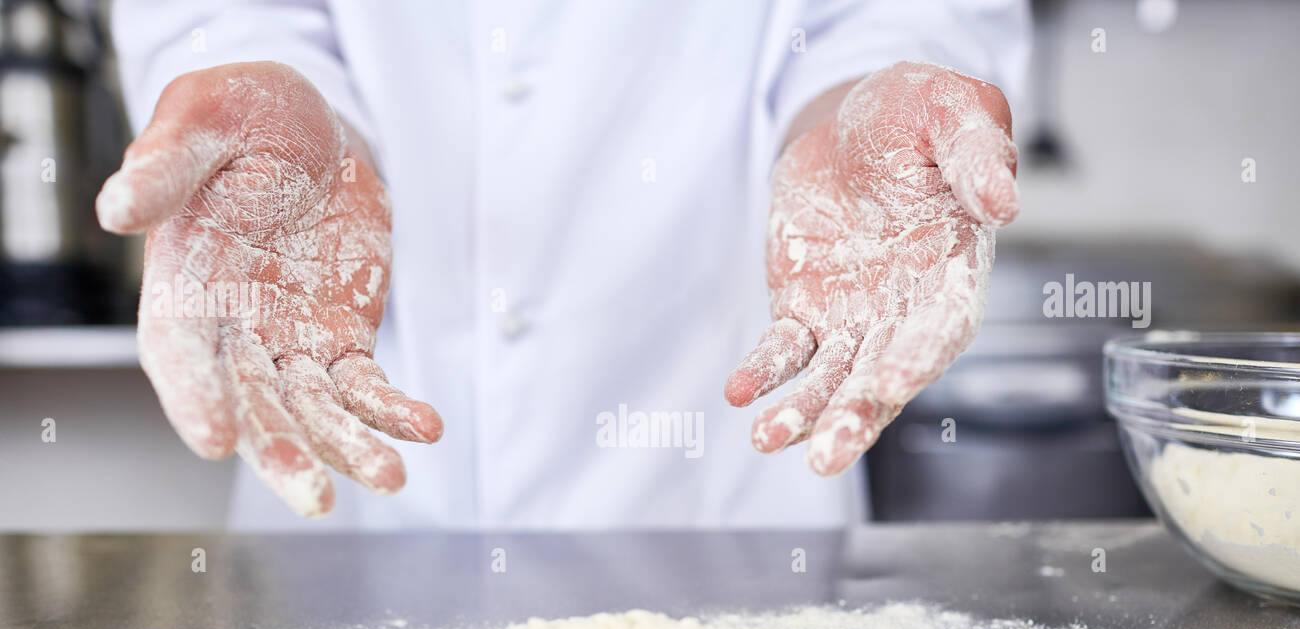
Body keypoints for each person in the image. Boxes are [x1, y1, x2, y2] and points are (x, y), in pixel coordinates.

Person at [98, 0, 1027, 529]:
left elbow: (887, 11)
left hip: (721, 499)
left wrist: (858, 102)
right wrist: (259, 89)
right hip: (362, 508)